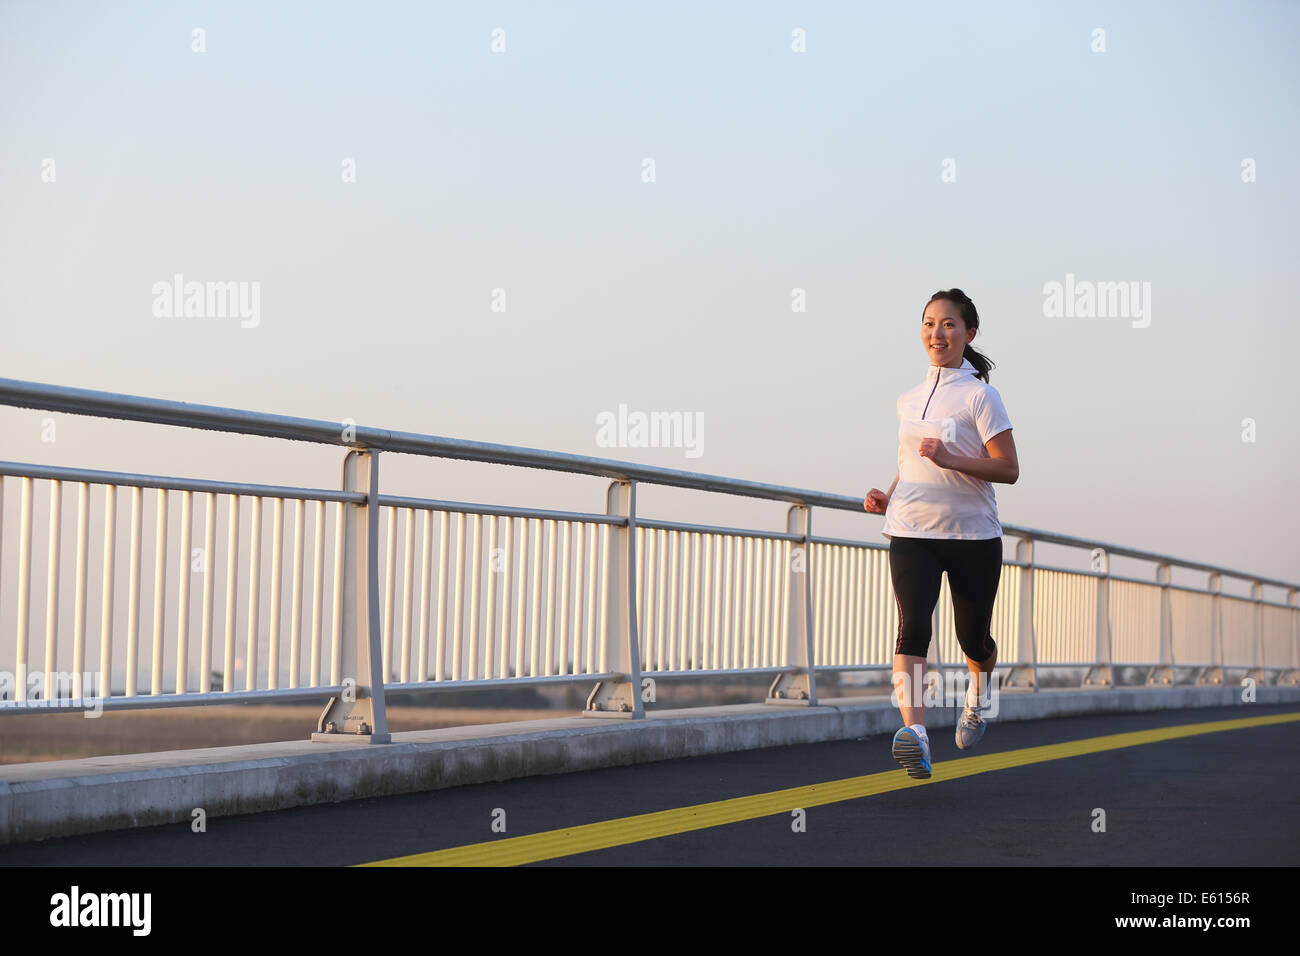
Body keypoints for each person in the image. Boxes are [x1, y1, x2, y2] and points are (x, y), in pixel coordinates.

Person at [863, 289, 1019, 779]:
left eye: (949, 325)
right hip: (911, 528)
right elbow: (910, 461)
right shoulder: (907, 399)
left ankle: (978, 694)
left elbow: (1009, 468)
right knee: (913, 628)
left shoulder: (981, 396)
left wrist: (952, 460)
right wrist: (889, 496)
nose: (938, 333)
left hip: (972, 535)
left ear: (969, 334)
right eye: (930, 324)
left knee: (972, 638)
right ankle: (917, 735)